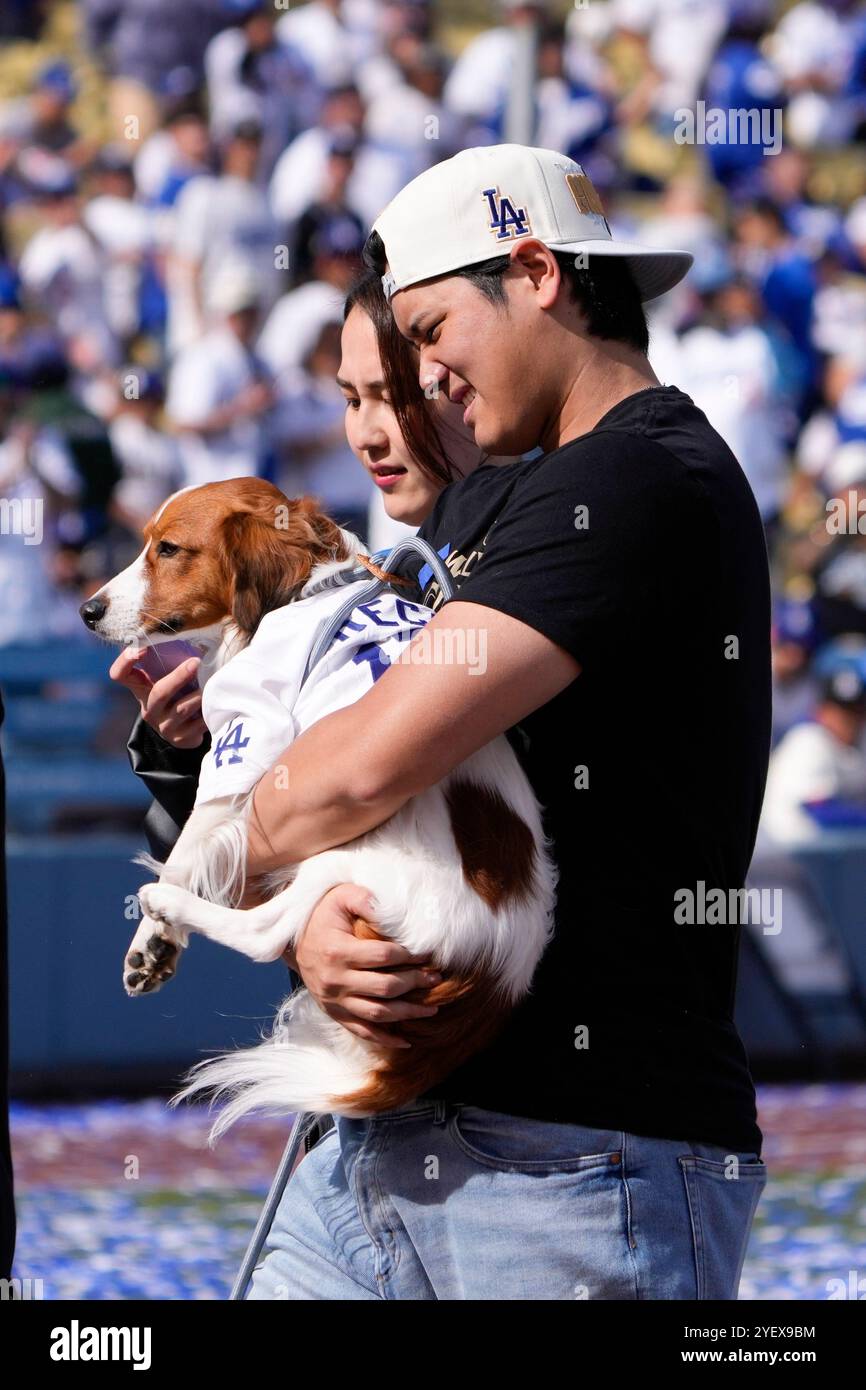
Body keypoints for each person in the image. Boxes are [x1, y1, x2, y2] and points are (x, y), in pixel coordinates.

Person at [118, 145, 771, 1300]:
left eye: (424, 337)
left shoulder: (627, 481)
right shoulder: (516, 497)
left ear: (533, 273)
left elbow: (359, 770)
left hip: (566, 1160)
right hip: (395, 1142)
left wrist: (223, 854)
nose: (420, 384)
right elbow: (376, 807)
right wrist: (303, 905)